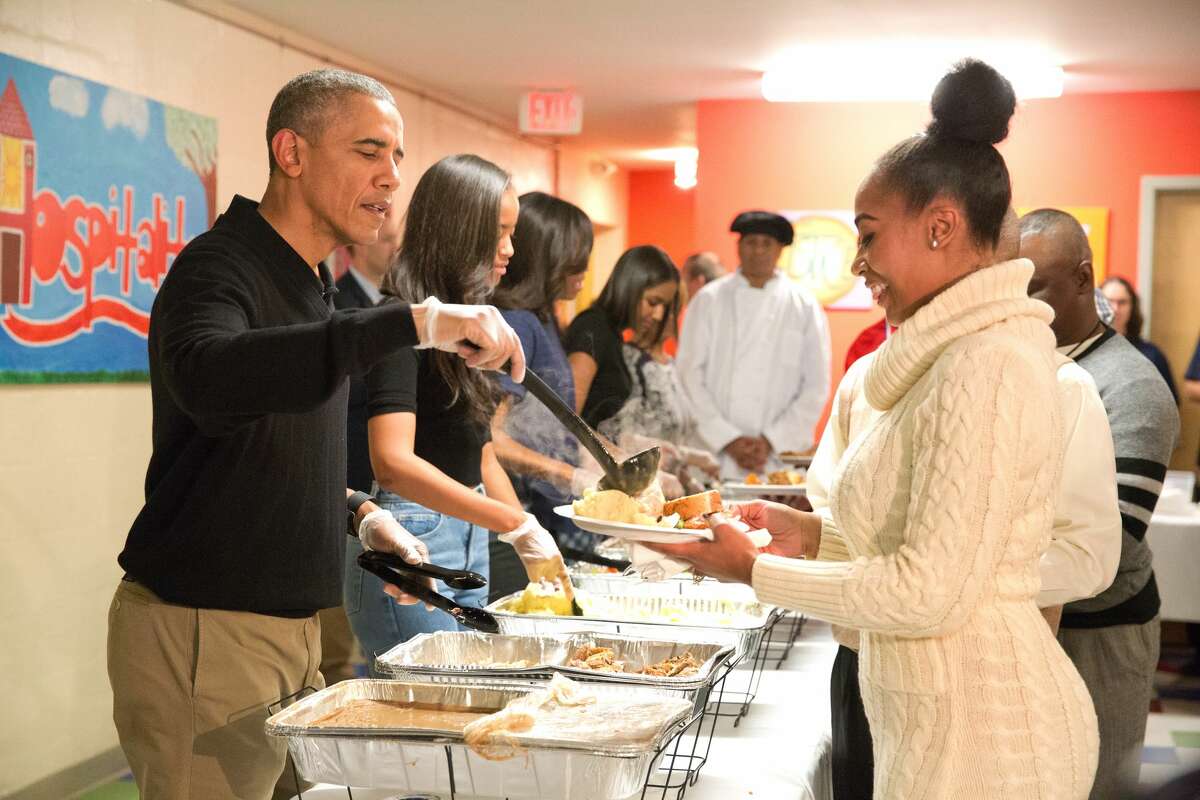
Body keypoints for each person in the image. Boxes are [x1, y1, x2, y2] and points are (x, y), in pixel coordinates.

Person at [651, 60, 1099, 798]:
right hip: (940, 723)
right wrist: (813, 538)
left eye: (868, 235)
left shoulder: (983, 362)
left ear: (941, 227)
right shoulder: (944, 357)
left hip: (992, 738)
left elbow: (928, 593)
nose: (858, 264)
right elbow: (917, 543)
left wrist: (755, 570)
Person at [107, 70, 527, 799]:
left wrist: (358, 517)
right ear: (291, 152)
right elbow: (214, 382)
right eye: (369, 151)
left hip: (293, 629)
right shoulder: (218, 267)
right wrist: (414, 322)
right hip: (211, 626)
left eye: (397, 158)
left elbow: (265, 445)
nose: (390, 178)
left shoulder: (309, 282)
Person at [815, 208, 1121, 800]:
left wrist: (966, 577)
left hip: (982, 676)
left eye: (874, 239)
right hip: (863, 658)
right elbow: (832, 516)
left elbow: (1088, 553)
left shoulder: (1057, 385)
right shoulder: (864, 381)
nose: (863, 265)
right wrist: (800, 547)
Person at [344, 155, 565, 668]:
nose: (509, 250)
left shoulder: (471, 329)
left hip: (468, 536)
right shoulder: (398, 322)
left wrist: (530, 531)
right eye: (500, 233)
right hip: (410, 541)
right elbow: (392, 464)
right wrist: (515, 523)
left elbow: (481, 453)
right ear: (462, 233)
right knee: (428, 714)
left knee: (464, 704)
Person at [1022, 208, 1181, 800]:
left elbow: (1107, 547)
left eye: (1037, 284)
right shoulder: (1025, 366)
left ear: (1084, 279)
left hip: (1100, 631)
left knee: (1096, 785)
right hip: (1027, 618)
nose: (1024, 302)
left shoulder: (1133, 385)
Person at [489, 191, 601, 568]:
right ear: (547, 257)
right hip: (516, 516)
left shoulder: (545, 317)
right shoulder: (516, 321)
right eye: (577, 255)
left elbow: (559, 423)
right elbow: (493, 440)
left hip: (546, 511)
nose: (585, 267)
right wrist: (571, 475)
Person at [676, 210, 831, 479]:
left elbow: (816, 386)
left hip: (775, 461)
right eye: (751, 242)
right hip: (714, 456)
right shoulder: (709, 300)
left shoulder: (804, 306)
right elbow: (688, 374)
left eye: (766, 243)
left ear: (780, 249)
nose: (758, 251)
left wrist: (771, 440)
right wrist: (729, 439)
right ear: (738, 246)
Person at [562, 246, 694, 496]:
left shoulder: (612, 333)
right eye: (653, 302)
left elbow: (601, 422)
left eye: (665, 307)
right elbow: (570, 419)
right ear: (629, 288)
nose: (657, 315)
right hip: (579, 483)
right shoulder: (594, 327)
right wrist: (623, 459)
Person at [1101, 276, 1179, 402]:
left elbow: (1171, 405)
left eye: (1122, 302)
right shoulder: (1082, 351)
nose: (1115, 309)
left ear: (1132, 306)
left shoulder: (1152, 355)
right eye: (1109, 301)